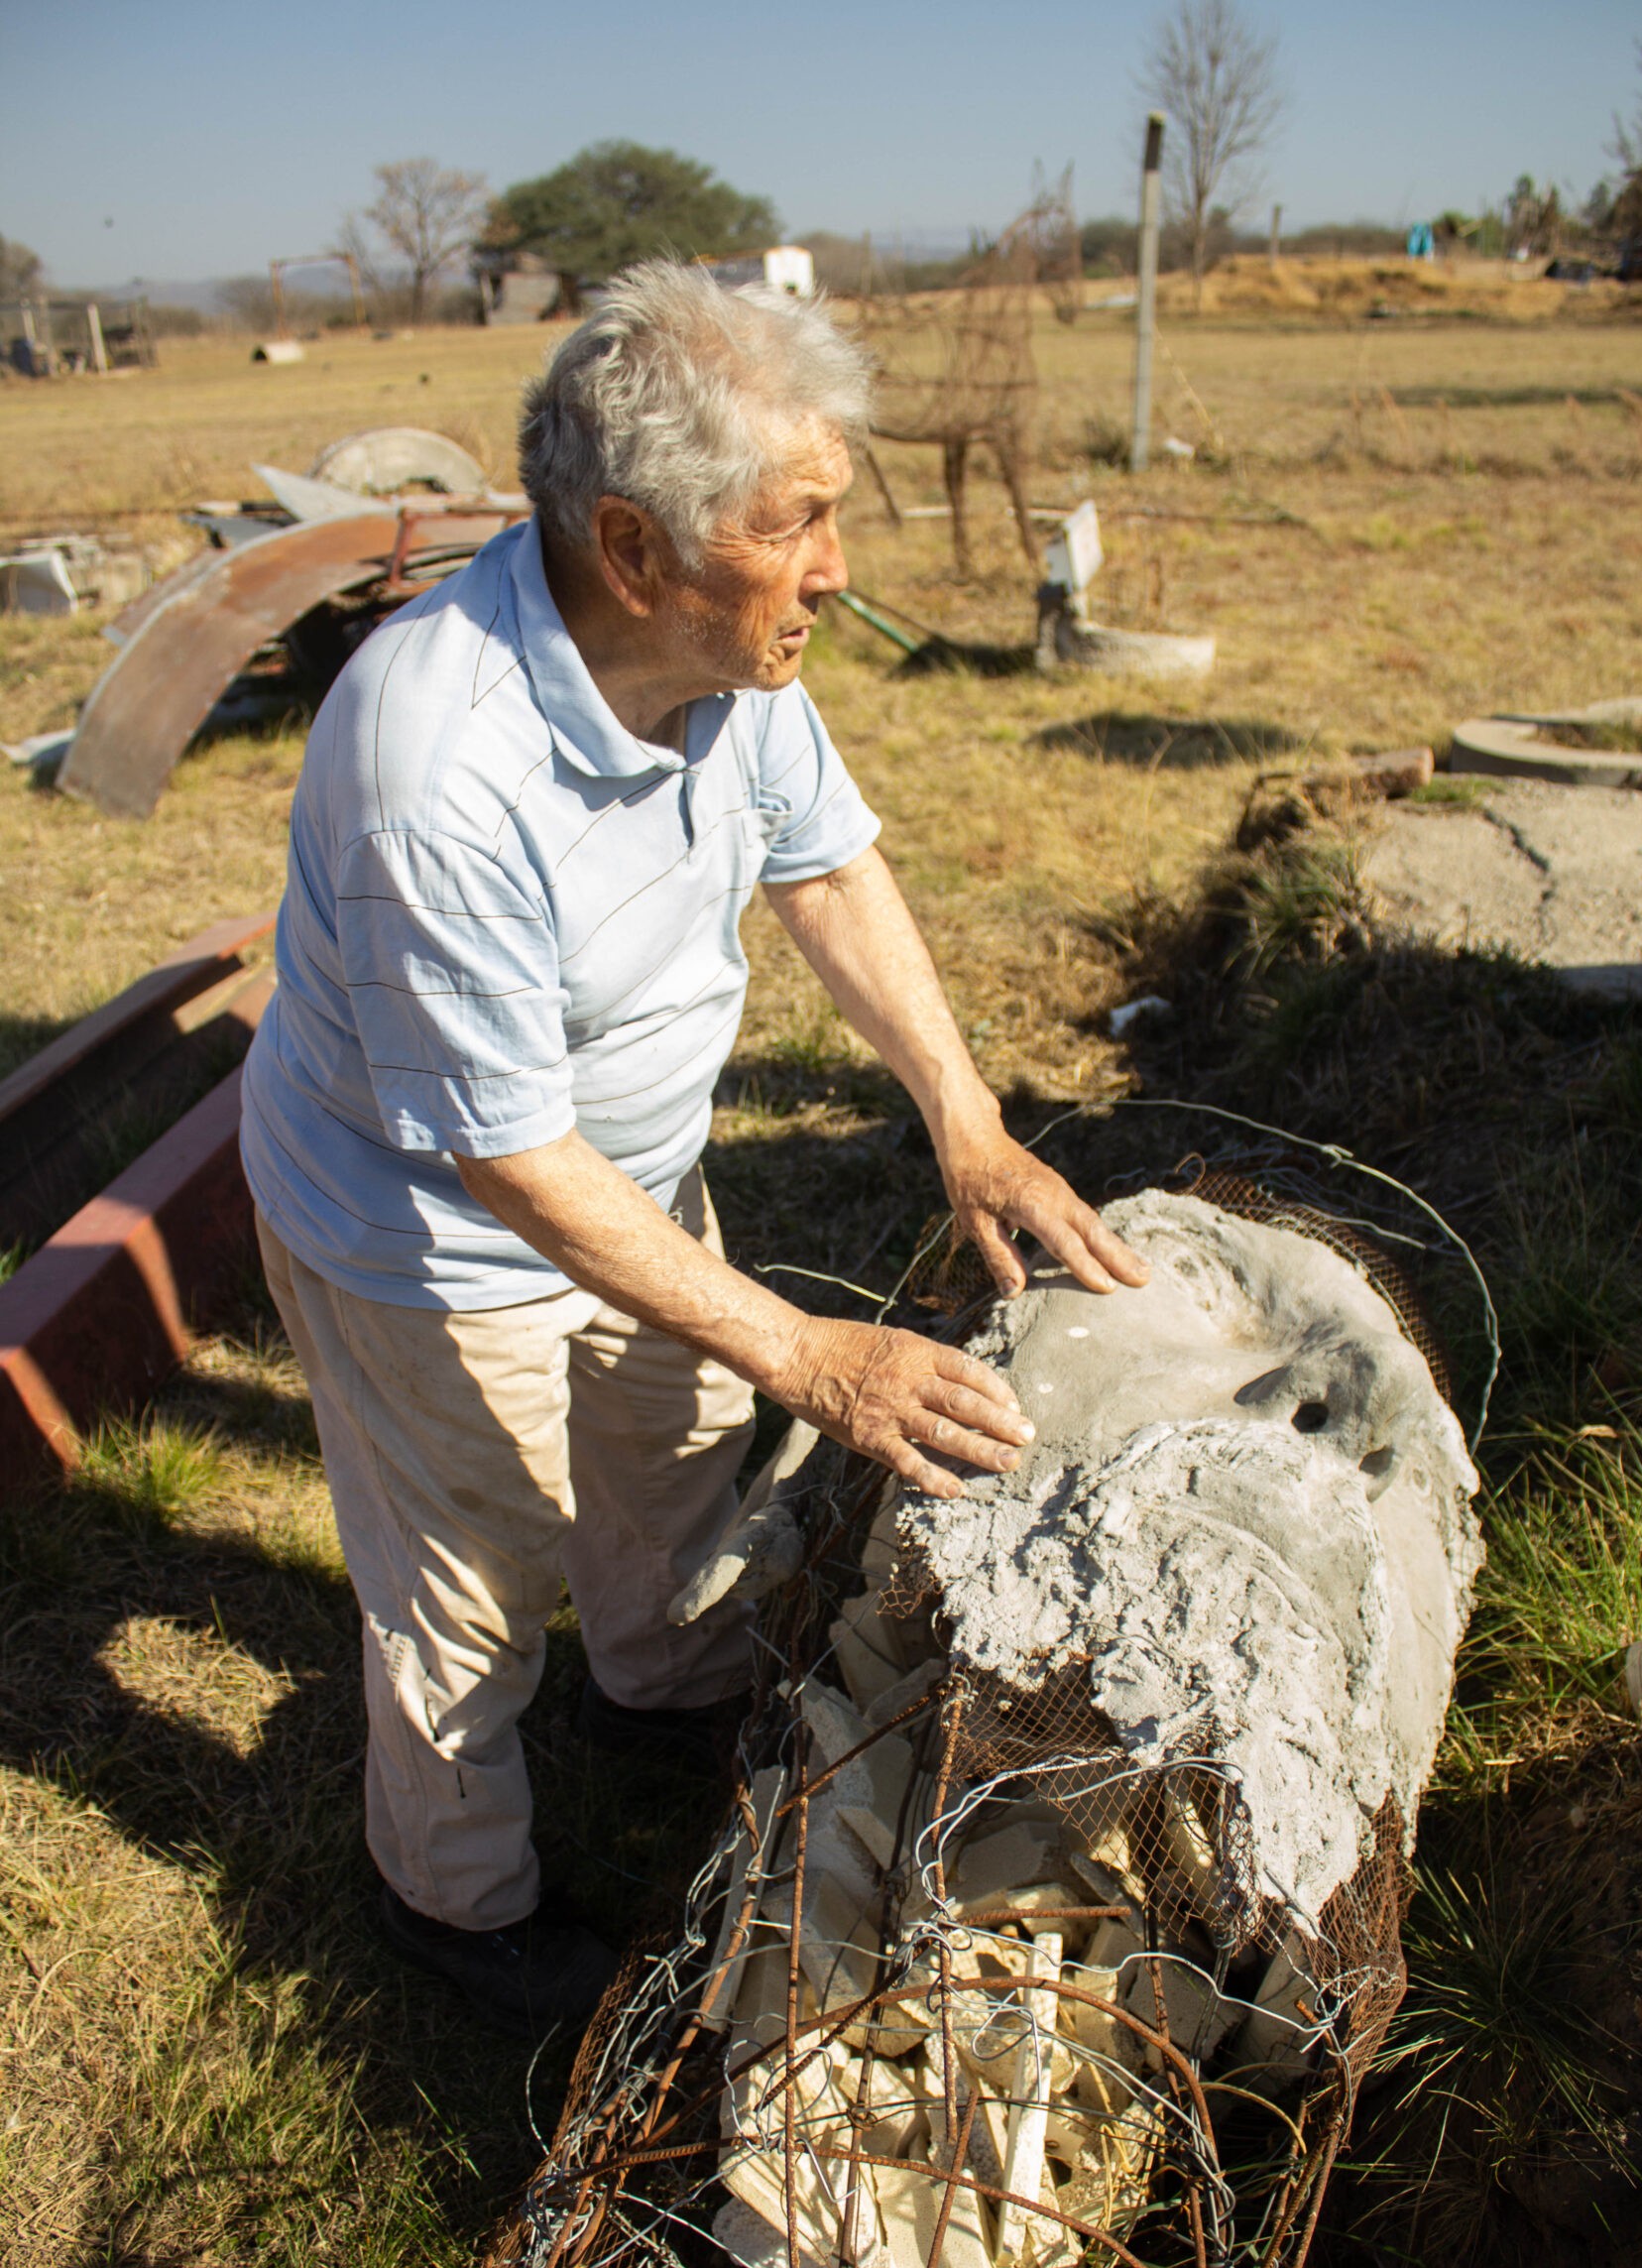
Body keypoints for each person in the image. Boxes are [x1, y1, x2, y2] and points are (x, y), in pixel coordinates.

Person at [239, 261, 1147, 2034]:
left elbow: (822, 864)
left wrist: (966, 1119)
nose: (835, 566)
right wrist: (810, 1344)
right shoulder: (438, 769)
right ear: (637, 548)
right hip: (428, 1241)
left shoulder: (731, 664)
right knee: (469, 1595)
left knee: (675, 1455)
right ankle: (458, 1903)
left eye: (834, 511)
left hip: (635, 1184)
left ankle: (651, 1691)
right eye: (794, 523)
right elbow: (504, 1158)